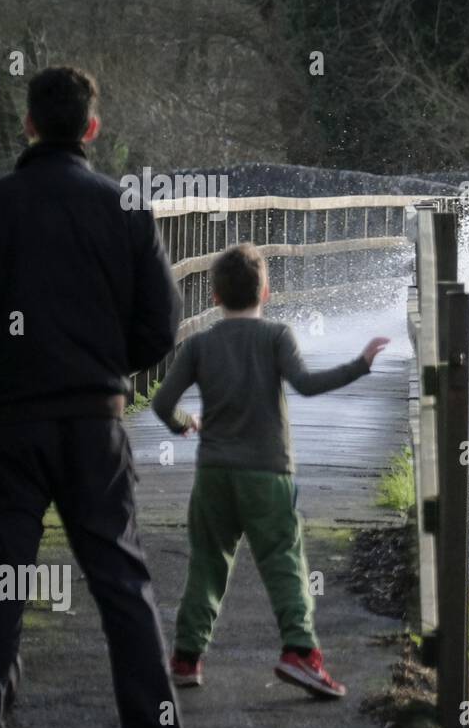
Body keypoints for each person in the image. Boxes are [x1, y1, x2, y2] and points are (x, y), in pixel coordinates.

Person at [0, 66, 186, 728]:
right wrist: (105, 363)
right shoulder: (123, 209)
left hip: (6, 423)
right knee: (123, 584)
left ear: (29, 124)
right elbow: (162, 326)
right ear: (92, 128)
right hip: (94, 419)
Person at [151, 243, 388, 698]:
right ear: (267, 291)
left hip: (215, 474)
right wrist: (359, 366)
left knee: (206, 565)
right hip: (268, 473)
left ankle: (186, 657)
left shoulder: (199, 345)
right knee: (283, 562)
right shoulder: (277, 336)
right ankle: (299, 653)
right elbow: (306, 384)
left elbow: (163, 404)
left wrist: (186, 423)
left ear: (215, 296)